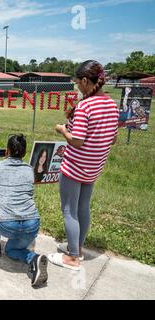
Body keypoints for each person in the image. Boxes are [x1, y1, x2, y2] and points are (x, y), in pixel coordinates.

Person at [50, 60, 119, 271]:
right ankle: (77, 248)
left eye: (78, 82)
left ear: (86, 80)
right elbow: (113, 138)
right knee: (83, 208)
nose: (77, 86)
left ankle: (72, 258)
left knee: (69, 211)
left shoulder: (85, 106)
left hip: (74, 167)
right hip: (94, 167)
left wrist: (62, 130)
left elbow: (77, 140)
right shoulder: (111, 104)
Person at [0, 134, 48, 288]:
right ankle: (33, 258)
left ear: (6, 151)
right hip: (32, 224)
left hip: (6, 225)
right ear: (24, 153)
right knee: (12, 250)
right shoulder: (29, 169)